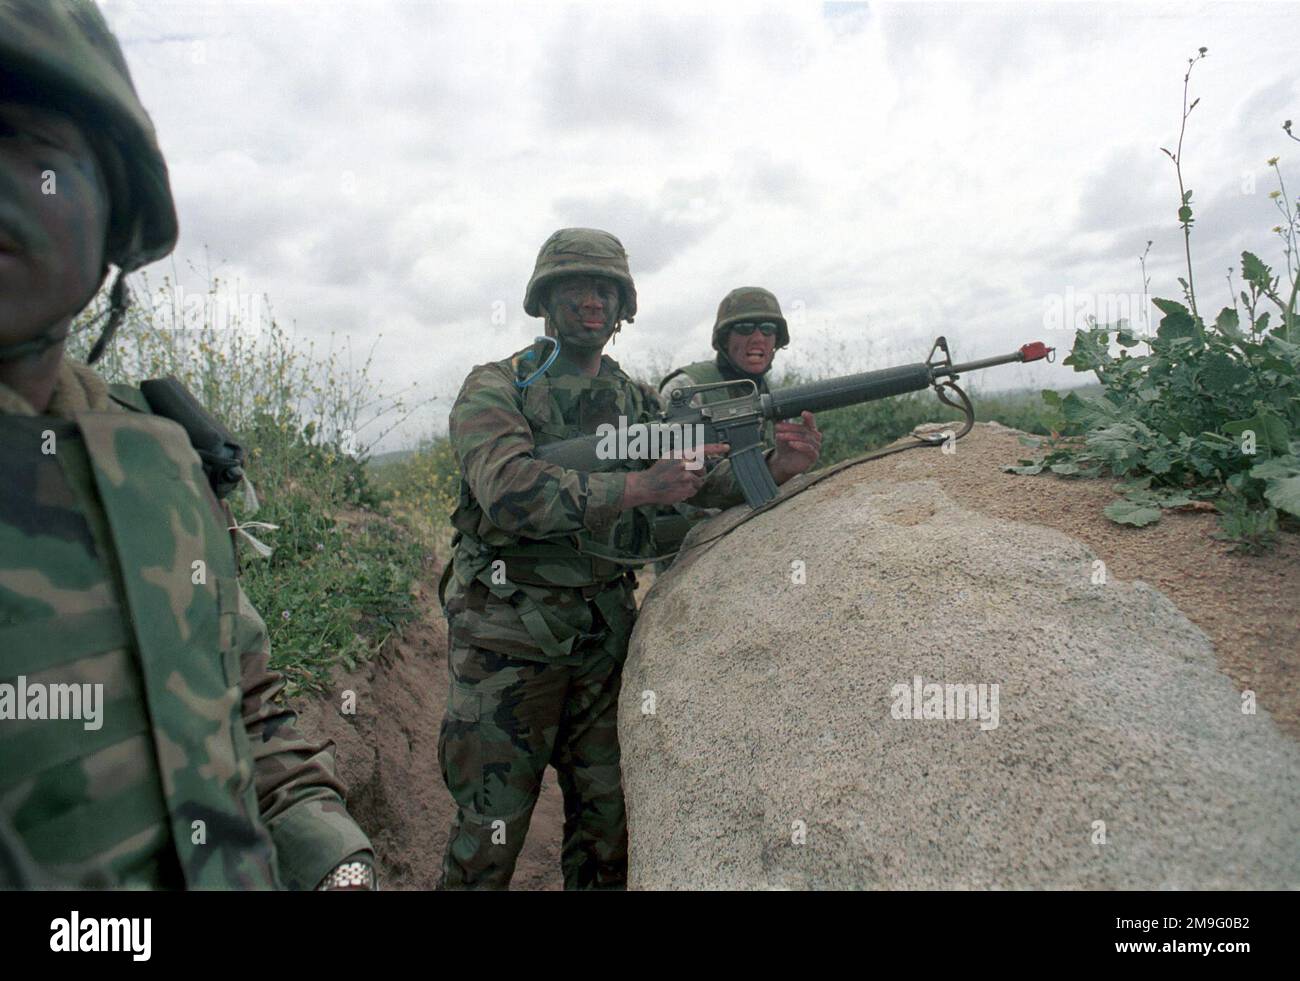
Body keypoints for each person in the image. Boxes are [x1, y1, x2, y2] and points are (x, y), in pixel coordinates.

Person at [0, 0, 374, 890]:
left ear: (113, 212)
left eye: (31, 147)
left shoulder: (155, 460)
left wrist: (334, 865)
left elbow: (244, 711)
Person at [438, 229, 821, 889]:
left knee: (608, 832)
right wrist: (641, 487)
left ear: (624, 305)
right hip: (508, 642)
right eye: (578, 287)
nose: (594, 302)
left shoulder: (635, 399)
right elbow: (508, 492)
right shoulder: (497, 388)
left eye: (606, 289)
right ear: (545, 299)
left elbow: (697, 480)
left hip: (605, 637)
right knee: (488, 839)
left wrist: (777, 466)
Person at [653, 287, 794, 568]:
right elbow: (675, 479)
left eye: (768, 330)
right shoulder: (687, 389)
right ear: (724, 339)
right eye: (744, 328)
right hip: (694, 544)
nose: (758, 338)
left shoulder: (761, 392)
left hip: (748, 531)